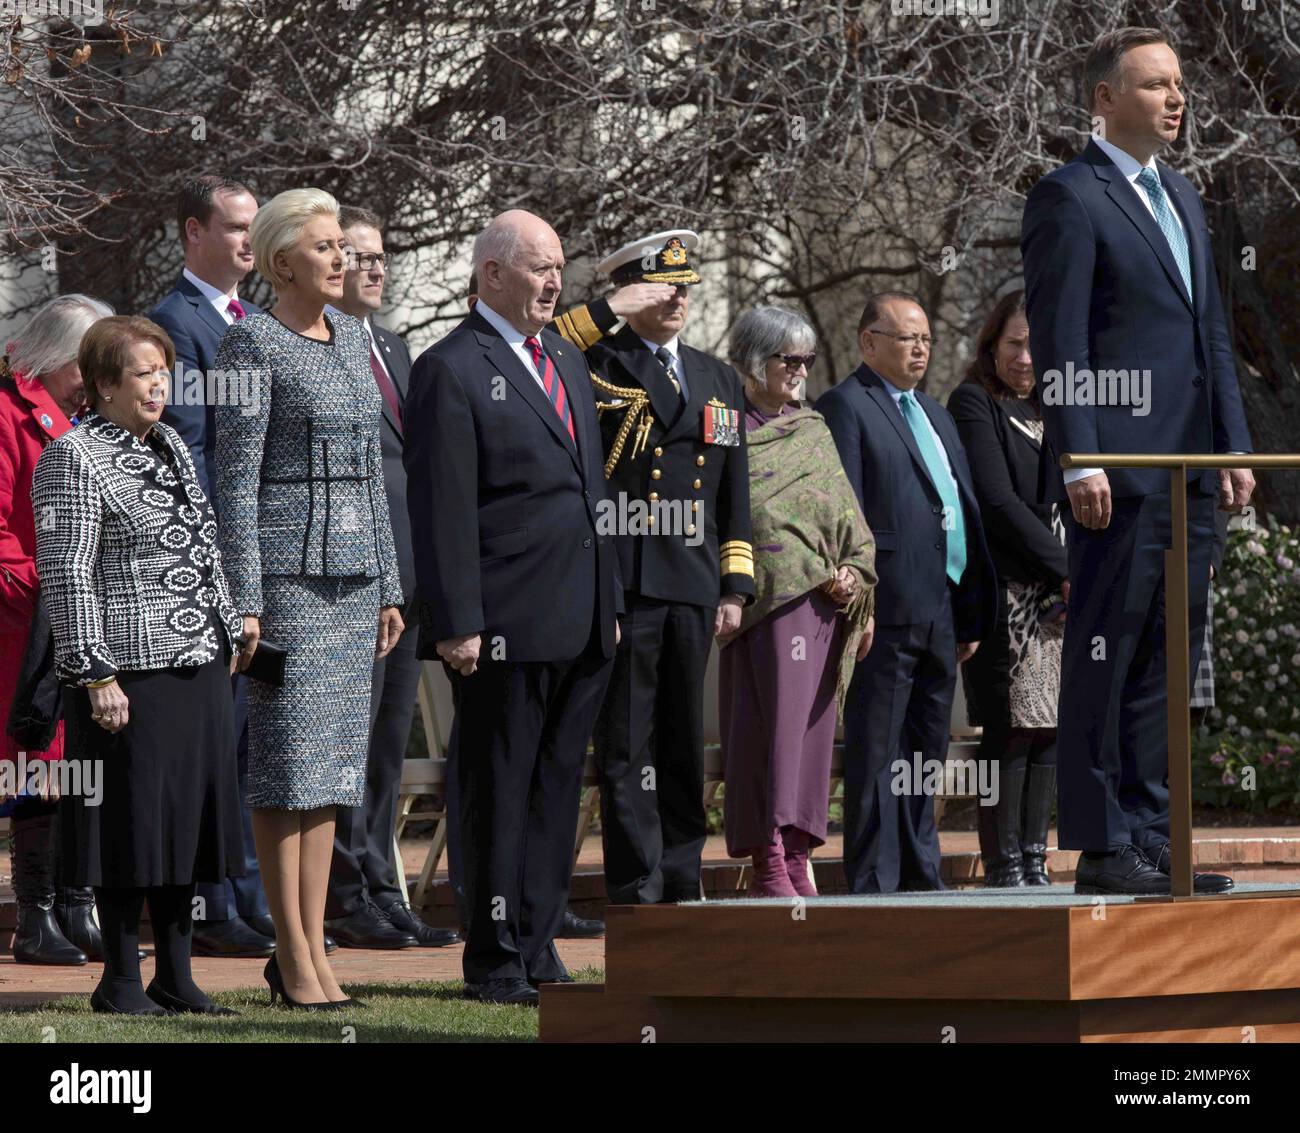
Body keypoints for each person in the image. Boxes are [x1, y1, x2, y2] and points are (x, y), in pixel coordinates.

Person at [1021, 27, 1253, 895]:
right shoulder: (1068, 198)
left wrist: (1232, 444)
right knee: (1104, 651)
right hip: (1117, 472)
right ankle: (1102, 841)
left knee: (1167, 655)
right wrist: (1080, 459)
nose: (1176, 98)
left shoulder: (1185, 197)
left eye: (1179, 84)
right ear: (1103, 99)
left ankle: (1154, 831)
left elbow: (1211, 335)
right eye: (1155, 84)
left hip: (1189, 471)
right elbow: (1060, 339)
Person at [404, 209, 621, 1005]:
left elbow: (589, 491)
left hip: (583, 618)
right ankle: (493, 956)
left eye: (559, 266)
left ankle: (537, 941)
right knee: (496, 788)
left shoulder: (563, 354)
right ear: (491, 272)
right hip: (500, 626)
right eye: (539, 267)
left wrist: (612, 600)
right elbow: (443, 507)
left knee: (556, 786)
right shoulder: (451, 367)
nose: (555, 281)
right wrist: (457, 618)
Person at [214, 188, 405, 1008]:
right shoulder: (247, 346)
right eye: (326, 247)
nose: (344, 259)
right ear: (283, 259)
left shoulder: (355, 335)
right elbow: (236, 480)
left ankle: (315, 949)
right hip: (287, 584)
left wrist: (392, 586)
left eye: (346, 247)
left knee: (331, 775)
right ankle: (293, 955)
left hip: (359, 582)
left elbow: (371, 470)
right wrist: (247, 600)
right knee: (284, 771)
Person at [32, 316, 246, 1015]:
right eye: (144, 372)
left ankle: (176, 975)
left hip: (197, 666)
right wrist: (94, 672)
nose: (160, 383)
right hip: (128, 675)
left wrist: (228, 622)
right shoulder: (74, 455)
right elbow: (67, 575)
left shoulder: (172, 445)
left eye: (165, 370)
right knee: (129, 825)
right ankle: (121, 978)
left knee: (185, 825)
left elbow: (203, 545)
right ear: (102, 384)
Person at [553, 229, 755, 905]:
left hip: (693, 581)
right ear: (629, 291)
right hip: (628, 579)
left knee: (680, 740)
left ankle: (681, 873)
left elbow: (733, 488)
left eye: (684, 287)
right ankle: (636, 882)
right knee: (626, 744)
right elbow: (543, 345)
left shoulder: (716, 375)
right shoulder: (595, 359)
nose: (675, 299)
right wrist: (609, 308)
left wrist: (734, 584)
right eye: (659, 287)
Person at [816, 292, 997, 893]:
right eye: (905, 338)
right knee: (877, 750)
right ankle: (872, 879)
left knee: (924, 753)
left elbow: (958, 506)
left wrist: (966, 607)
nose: (920, 348)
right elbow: (844, 511)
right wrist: (857, 602)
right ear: (869, 342)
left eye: (925, 339)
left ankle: (921, 872)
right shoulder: (846, 406)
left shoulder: (936, 414)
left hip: (941, 607)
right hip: (884, 609)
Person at [322, 205, 457, 949]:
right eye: (357, 254)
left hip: (403, 582)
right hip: (349, 586)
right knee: (347, 744)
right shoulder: (317, 346)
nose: (374, 267)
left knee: (383, 747)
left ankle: (379, 883)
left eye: (381, 255)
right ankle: (345, 895)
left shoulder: (396, 347)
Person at [149, 173, 274, 958]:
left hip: (263, 556)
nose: (248, 244)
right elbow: (192, 449)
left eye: (254, 229)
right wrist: (226, 561)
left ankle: (249, 895)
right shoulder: (176, 321)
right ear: (193, 232)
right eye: (234, 228)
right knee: (214, 741)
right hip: (218, 561)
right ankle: (208, 902)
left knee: (252, 740)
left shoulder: (254, 319)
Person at [718, 306, 877, 897]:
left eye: (807, 360)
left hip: (823, 609)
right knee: (768, 734)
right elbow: (733, 518)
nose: (801, 371)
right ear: (753, 361)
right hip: (762, 606)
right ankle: (767, 859)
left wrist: (853, 576)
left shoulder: (812, 430)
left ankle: (797, 854)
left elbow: (848, 521)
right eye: (790, 359)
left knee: (811, 736)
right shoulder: (726, 427)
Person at [1, 295, 112, 965]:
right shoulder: (10, 415)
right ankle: (33, 914)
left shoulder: (95, 420)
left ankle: (76, 901)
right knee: (36, 765)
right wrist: (46, 586)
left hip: (84, 621)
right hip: (25, 625)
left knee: (81, 763)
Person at [947, 291, 1068, 886]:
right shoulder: (974, 403)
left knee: (1050, 725)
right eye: (1015, 343)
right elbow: (997, 503)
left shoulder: (1058, 409)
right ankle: (1004, 861)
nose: (1025, 357)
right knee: (1011, 728)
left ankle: (1037, 858)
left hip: (1059, 596)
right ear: (991, 344)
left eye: (1036, 345)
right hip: (1006, 591)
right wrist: (1067, 570)